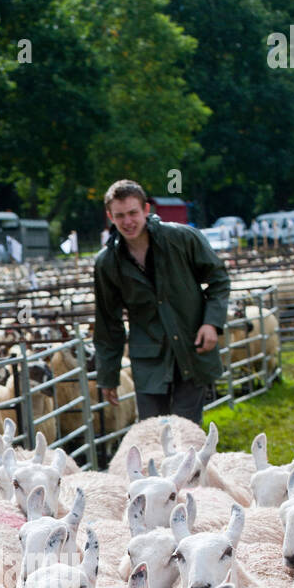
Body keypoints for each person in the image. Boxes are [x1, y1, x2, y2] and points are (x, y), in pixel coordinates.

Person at [93, 178, 230, 425]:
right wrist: (108, 376)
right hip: (149, 360)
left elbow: (218, 279)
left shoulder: (182, 239)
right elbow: (107, 321)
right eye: (120, 215)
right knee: (153, 435)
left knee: (184, 432)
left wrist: (211, 323)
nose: (128, 222)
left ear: (146, 210)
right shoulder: (107, 263)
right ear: (110, 217)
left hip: (191, 348)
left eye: (133, 213)